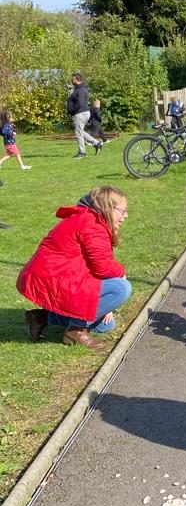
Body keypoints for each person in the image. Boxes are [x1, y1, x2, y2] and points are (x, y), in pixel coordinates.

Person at [17, 186, 132, 351]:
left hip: (58, 276)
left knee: (105, 325)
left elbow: (97, 264)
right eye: (123, 211)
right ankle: (76, 330)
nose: (125, 216)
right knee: (121, 289)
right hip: (54, 278)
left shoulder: (89, 219)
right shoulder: (92, 225)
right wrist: (122, 275)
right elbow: (103, 268)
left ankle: (42, 317)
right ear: (109, 208)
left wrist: (108, 304)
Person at [67, 73, 102, 158]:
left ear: (78, 80)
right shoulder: (79, 89)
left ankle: (82, 152)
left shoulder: (81, 90)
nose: (71, 81)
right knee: (80, 131)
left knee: (78, 133)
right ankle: (96, 143)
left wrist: (71, 110)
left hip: (80, 113)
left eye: (73, 79)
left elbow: (80, 103)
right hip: (82, 113)